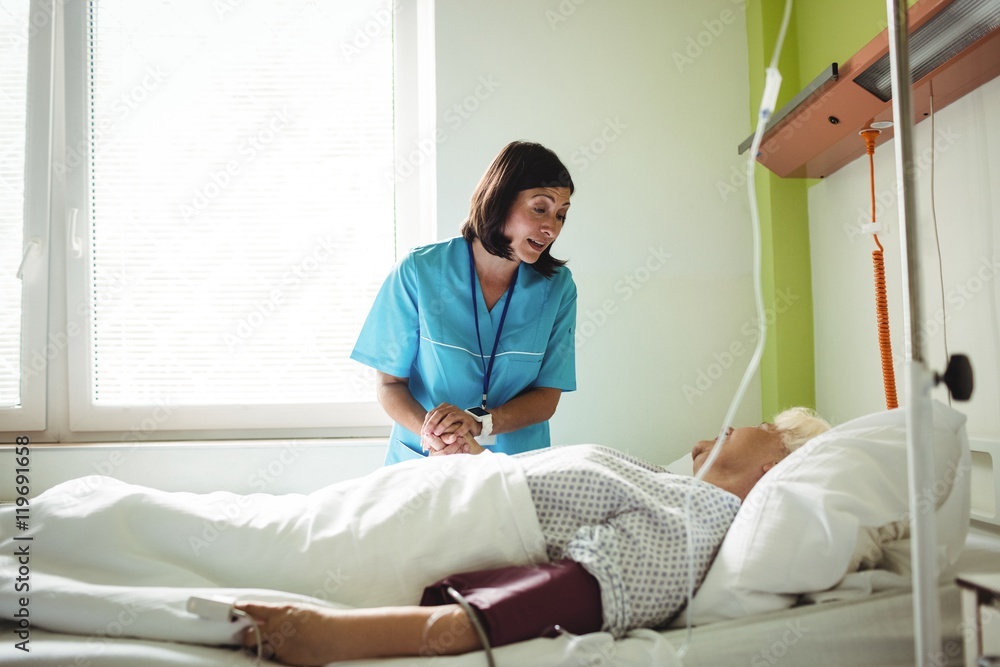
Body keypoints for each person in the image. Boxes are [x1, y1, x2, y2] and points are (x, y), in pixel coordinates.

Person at [233, 407, 832, 665]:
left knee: (235, 542)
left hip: (427, 525)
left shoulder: (701, 518)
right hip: (431, 499)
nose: (730, 425)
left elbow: (569, 592)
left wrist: (336, 635)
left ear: (772, 471)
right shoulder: (674, 489)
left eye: (756, 427)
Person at [351, 141, 578, 464]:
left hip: (512, 468)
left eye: (561, 215)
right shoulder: (419, 271)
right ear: (499, 199)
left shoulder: (557, 289)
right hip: (423, 459)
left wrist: (478, 423)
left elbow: (546, 397)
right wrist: (434, 435)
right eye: (539, 208)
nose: (551, 228)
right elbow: (389, 383)